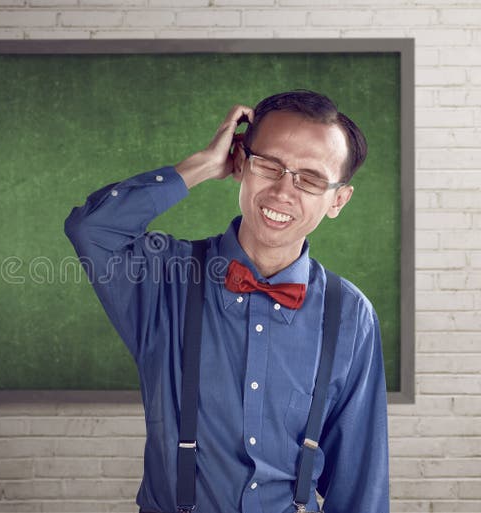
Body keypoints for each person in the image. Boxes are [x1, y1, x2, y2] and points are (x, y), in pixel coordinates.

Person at [64, 90, 389, 513]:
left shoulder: (350, 316)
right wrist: (199, 165)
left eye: (309, 179)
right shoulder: (166, 277)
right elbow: (93, 229)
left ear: (338, 200)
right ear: (240, 163)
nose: (282, 191)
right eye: (269, 165)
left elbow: (360, 486)